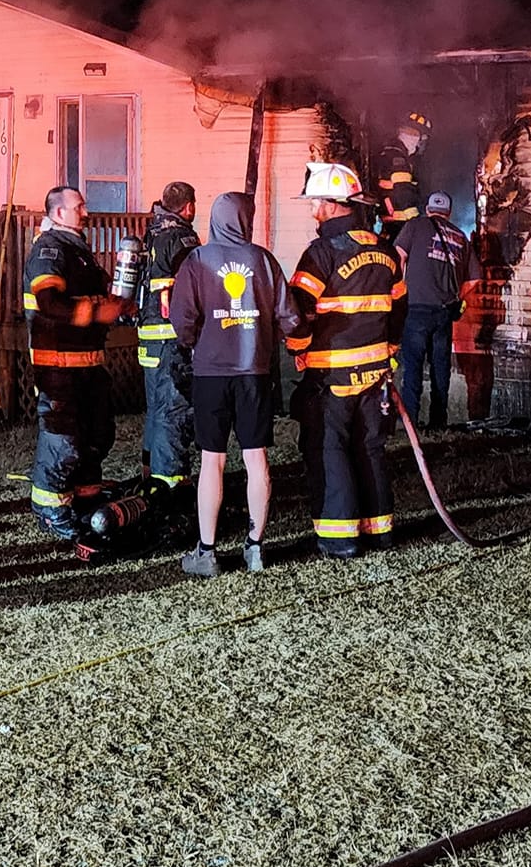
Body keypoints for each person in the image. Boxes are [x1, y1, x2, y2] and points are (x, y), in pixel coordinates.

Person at [168, 191, 300, 576]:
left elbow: (182, 319)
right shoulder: (263, 260)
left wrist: (196, 341)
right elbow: (289, 316)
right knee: (256, 456)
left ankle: (206, 552)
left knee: (213, 460)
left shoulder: (196, 260)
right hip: (254, 373)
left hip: (211, 373)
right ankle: (255, 547)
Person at [285, 162, 403, 559]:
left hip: (331, 374)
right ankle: (380, 530)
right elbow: (400, 309)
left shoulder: (320, 254)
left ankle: (339, 537)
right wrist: (390, 350)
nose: (311, 208)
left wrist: (298, 349)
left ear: (333, 205)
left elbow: (297, 314)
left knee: (328, 447)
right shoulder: (385, 250)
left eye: (315, 201)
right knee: (369, 447)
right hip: (376, 372)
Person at [19, 185, 129, 542]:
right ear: (59, 213)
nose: (86, 211)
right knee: (63, 441)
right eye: (79, 206)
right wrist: (99, 312)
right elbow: (50, 303)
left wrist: (118, 305)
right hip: (58, 368)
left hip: (88, 366)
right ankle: (49, 508)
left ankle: (86, 498)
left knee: (97, 435)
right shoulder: (49, 250)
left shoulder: (77, 250)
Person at [393, 191, 483, 431]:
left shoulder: (415, 226)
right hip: (443, 313)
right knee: (439, 368)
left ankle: (410, 423)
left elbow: (398, 257)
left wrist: (397, 292)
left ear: (427, 208)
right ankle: (438, 422)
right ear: (449, 212)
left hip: (416, 309)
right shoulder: (460, 237)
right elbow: (474, 279)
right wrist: (456, 299)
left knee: (412, 368)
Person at [137, 182, 201, 491]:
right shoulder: (181, 237)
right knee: (174, 411)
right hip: (170, 340)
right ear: (188, 207)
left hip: (149, 339)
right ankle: (172, 486)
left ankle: (150, 479)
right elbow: (181, 290)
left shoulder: (152, 233)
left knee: (157, 410)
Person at [374, 111, 432, 244]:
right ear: (415, 136)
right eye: (423, 139)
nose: (421, 145)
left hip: (389, 224)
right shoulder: (399, 160)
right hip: (399, 227)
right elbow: (404, 195)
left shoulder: (388, 152)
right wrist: (418, 224)